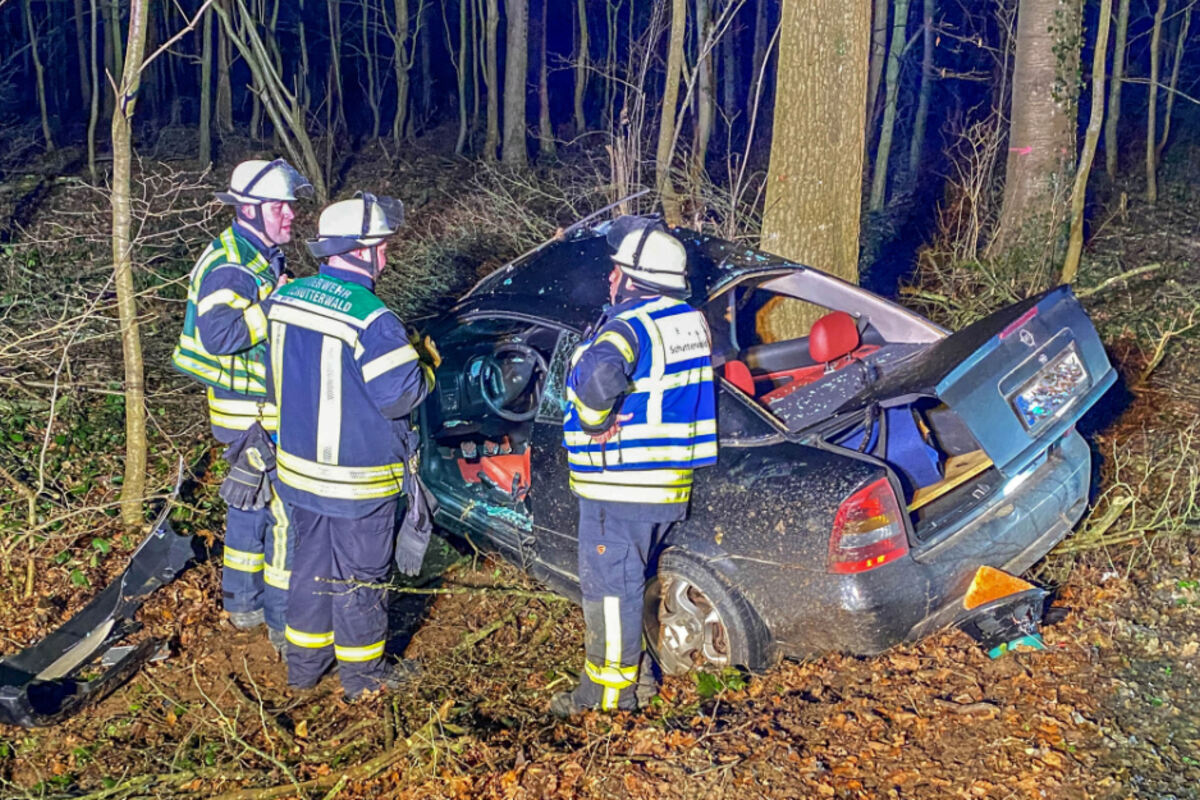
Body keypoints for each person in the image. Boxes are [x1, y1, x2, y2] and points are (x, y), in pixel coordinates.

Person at [266, 192, 435, 700]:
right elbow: (399, 396)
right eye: (381, 247)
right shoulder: (372, 317)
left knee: (310, 567)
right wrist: (424, 364)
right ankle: (362, 681)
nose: (386, 256)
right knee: (361, 579)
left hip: (296, 474)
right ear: (359, 250)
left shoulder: (286, 297)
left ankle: (303, 669)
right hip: (358, 483)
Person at [552, 219, 718, 716]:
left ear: (632, 279)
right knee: (630, 583)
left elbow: (599, 379)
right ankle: (641, 680)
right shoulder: (690, 320)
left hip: (620, 482)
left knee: (608, 591)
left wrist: (593, 419)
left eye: (616, 271)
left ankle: (606, 697)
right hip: (667, 482)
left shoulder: (629, 324)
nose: (610, 280)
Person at [172, 159, 312, 654]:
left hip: (246, 414)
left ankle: (242, 605)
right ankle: (281, 623)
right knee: (284, 518)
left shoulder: (255, 253)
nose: (291, 214)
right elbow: (221, 335)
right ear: (250, 209)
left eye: (291, 204)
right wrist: (274, 306)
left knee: (248, 508)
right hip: (255, 417)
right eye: (280, 205)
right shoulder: (232, 265)